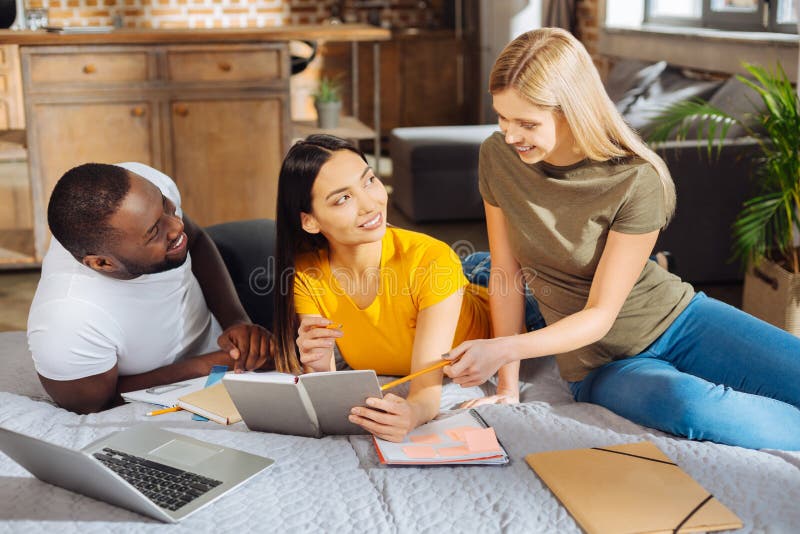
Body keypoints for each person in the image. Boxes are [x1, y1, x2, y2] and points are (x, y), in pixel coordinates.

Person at [443, 28, 800, 450]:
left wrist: (503, 347)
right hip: (601, 364)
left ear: (572, 110)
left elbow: (601, 313)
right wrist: (507, 382)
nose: (510, 134)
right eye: (502, 117)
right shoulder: (498, 157)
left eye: (527, 123)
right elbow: (506, 270)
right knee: (691, 407)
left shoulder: (637, 178)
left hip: (682, 321)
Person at [272, 134, 545, 442]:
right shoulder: (307, 274)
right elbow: (327, 390)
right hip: (441, 278)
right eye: (343, 199)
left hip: (484, 293)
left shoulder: (432, 260)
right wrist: (319, 367)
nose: (369, 203)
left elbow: (426, 394)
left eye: (369, 181)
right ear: (309, 222)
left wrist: (412, 414)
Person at [28, 162, 273, 414]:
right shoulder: (67, 321)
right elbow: (99, 402)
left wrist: (235, 320)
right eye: (154, 231)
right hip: (212, 361)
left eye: (166, 206)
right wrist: (206, 366)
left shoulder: (141, 185)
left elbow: (196, 240)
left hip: (230, 281)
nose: (177, 226)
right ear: (103, 263)